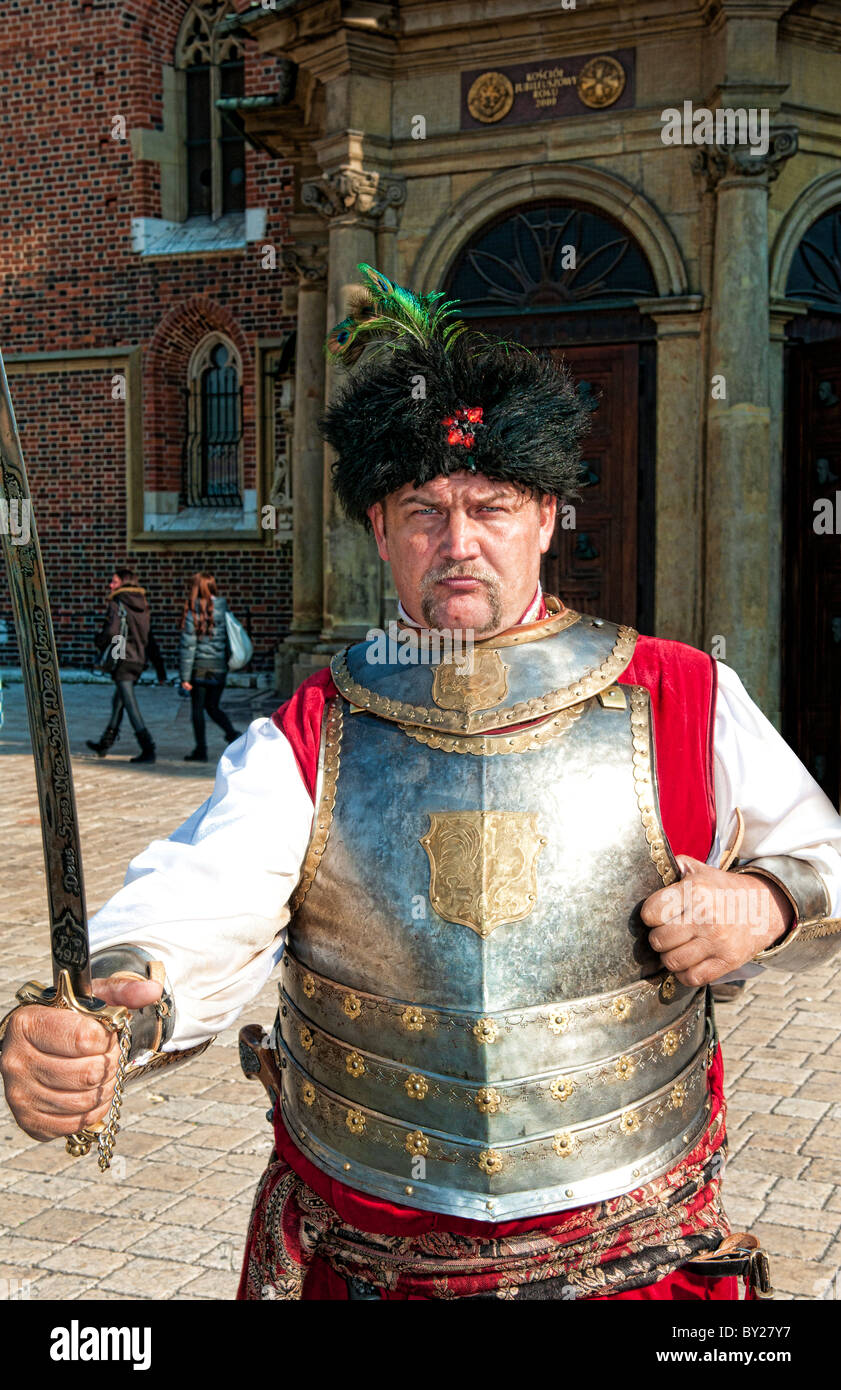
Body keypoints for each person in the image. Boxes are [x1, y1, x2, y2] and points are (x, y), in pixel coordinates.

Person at [3, 264, 841, 1302]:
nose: (457, 545)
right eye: (420, 513)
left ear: (544, 515)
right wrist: (118, 1003)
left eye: (488, 507)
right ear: (375, 533)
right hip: (370, 1262)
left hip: (635, 1262)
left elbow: (829, 861)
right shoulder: (317, 729)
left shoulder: (681, 692)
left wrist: (769, 898)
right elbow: (199, 897)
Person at [86, 565, 166, 764]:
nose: (110, 584)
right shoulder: (143, 605)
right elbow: (151, 638)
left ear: (123, 583)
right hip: (138, 660)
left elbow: (112, 632)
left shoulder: (117, 603)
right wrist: (160, 669)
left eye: (114, 581)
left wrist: (99, 641)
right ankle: (104, 744)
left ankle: (148, 748)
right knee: (119, 701)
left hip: (123, 660)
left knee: (130, 705)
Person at [179, 571, 241, 762]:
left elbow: (189, 647)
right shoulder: (224, 610)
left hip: (200, 668)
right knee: (213, 707)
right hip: (219, 667)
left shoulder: (193, 612)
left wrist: (185, 677)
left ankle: (201, 749)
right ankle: (233, 735)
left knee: (197, 710)